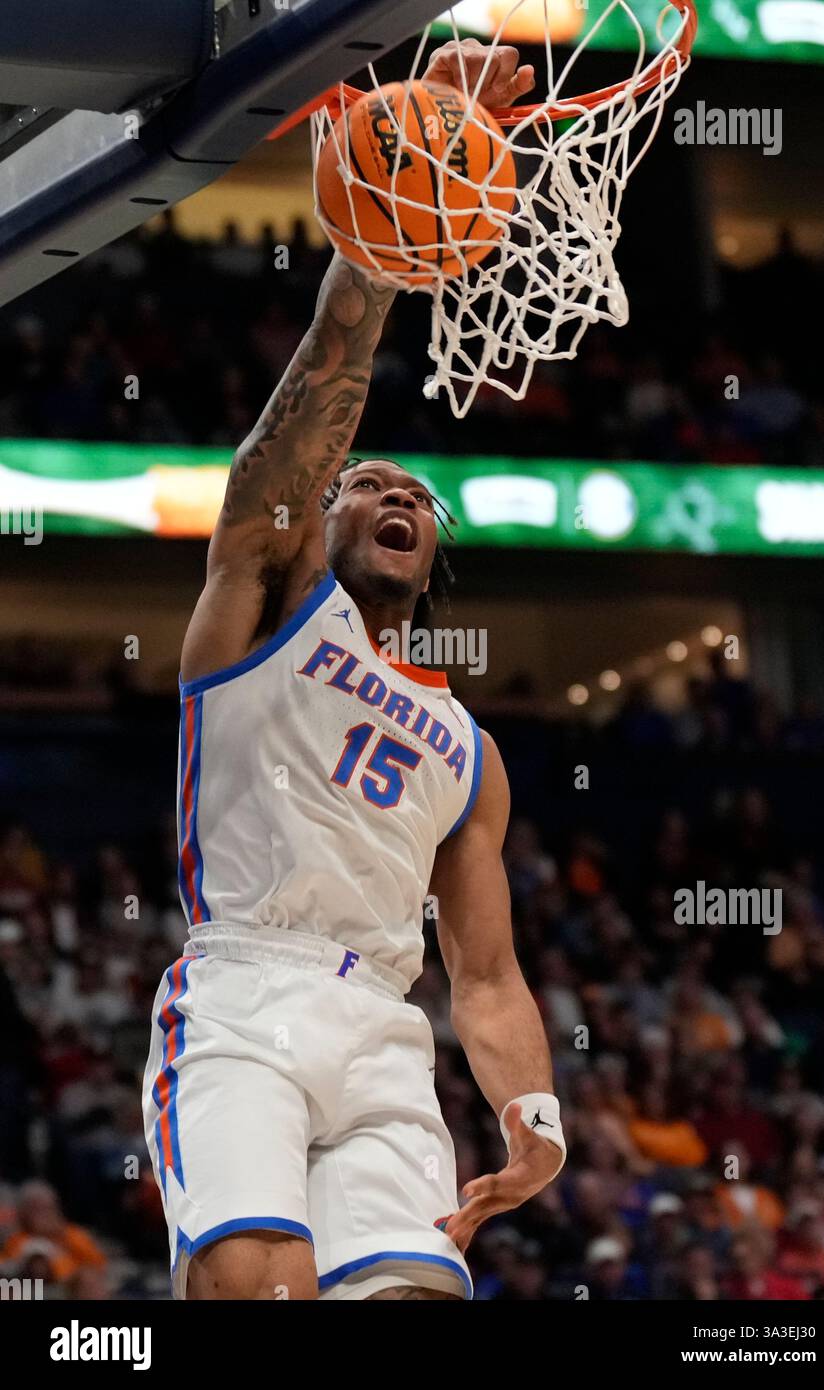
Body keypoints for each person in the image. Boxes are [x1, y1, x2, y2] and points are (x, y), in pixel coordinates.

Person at [142, 37, 564, 1302]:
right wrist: (409, 189)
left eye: (413, 493)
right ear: (315, 522)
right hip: (245, 989)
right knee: (257, 1281)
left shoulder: (469, 754)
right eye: (362, 481)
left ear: (431, 555)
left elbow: (482, 974)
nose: (389, 492)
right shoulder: (266, 599)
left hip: (384, 1025)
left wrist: (530, 1109)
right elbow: (322, 381)